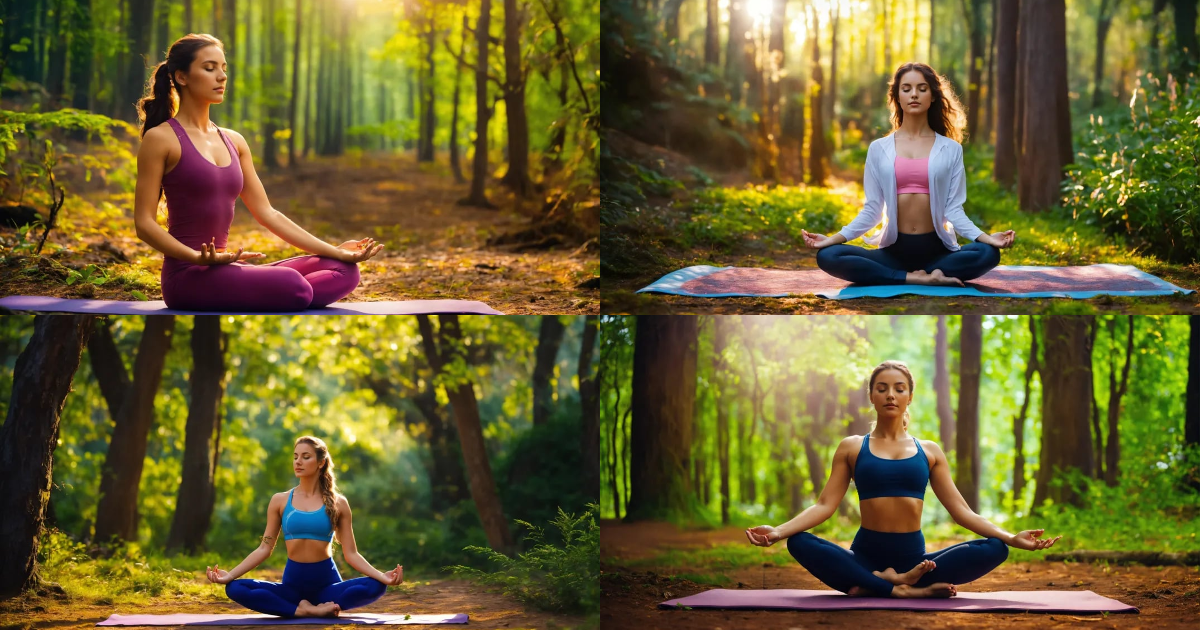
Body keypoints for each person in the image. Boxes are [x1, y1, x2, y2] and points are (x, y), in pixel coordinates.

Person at [745, 360, 1061, 598]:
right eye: (881, 388)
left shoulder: (930, 451)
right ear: (871, 395)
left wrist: (1009, 537)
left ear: (909, 396)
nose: (890, 395)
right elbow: (825, 505)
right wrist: (778, 532)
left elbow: (962, 512)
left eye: (899, 388)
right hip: (865, 556)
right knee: (799, 541)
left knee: (995, 549)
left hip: (916, 560)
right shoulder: (852, 447)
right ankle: (901, 588)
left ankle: (874, 585)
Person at [134, 34, 384, 311]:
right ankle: (284, 291)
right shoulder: (161, 139)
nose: (221, 77)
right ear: (181, 77)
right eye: (209, 68)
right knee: (292, 284)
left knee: (345, 270)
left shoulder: (234, 141)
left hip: (225, 270)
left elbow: (268, 214)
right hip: (186, 277)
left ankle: (278, 290)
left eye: (223, 68)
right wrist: (197, 258)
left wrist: (334, 250)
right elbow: (144, 223)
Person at [801, 62, 1015, 287]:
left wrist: (988, 238)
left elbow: (954, 210)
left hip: (937, 253)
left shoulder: (951, 149)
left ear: (932, 96)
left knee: (988, 253)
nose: (914, 94)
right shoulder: (879, 148)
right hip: (894, 253)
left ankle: (905, 275)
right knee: (828, 256)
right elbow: (873, 210)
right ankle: (914, 278)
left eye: (922, 89)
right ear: (897, 97)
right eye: (907, 89)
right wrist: (832, 240)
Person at [205, 436, 403, 617]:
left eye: (306, 457)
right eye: (295, 457)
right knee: (235, 588)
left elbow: (351, 554)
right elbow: (264, 548)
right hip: (293, 588)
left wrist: (381, 576)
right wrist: (230, 575)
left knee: (375, 586)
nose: (298, 462)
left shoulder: (338, 503)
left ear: (321, 462)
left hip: (328, 586)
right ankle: (303, 610)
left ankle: (302, 608)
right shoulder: (280, 501)